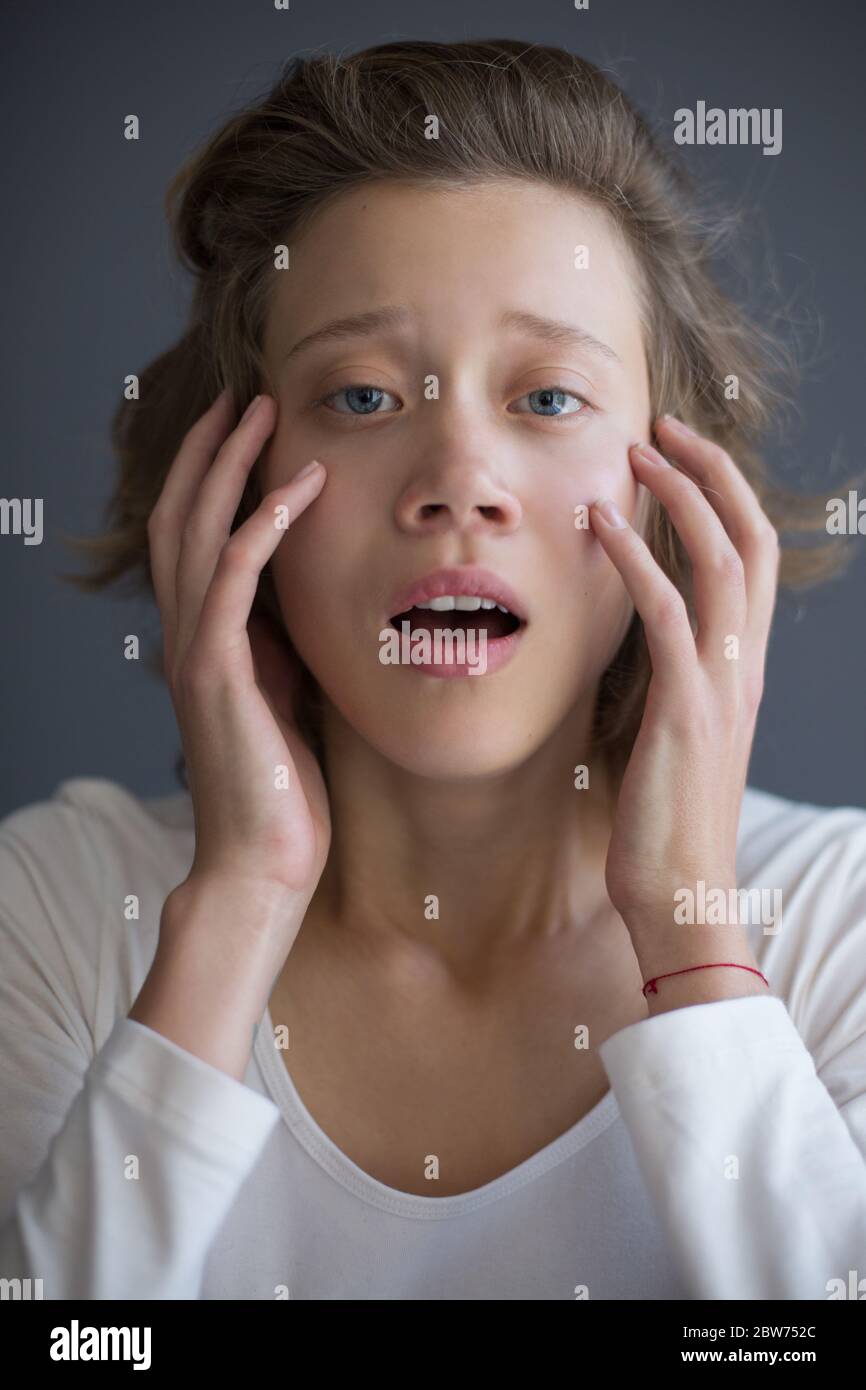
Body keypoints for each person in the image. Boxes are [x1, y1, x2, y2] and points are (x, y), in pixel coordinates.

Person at [2, 38, 865, 1302]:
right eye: (357, 397)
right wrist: (237, 902)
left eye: (550, 397)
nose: (458, 479)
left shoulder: (839, 928)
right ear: (228, 488)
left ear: (678, 486)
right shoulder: (61, 913)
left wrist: (690, 930)